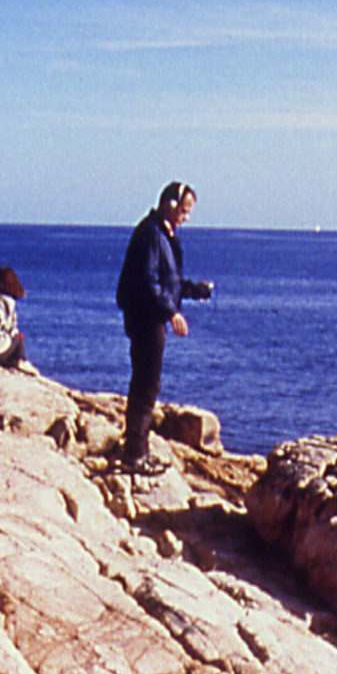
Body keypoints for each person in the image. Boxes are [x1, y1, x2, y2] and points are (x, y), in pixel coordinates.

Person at [114, 181, 212, 473]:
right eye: (184, 210)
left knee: (148, 382)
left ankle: (138, 450)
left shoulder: (161, 235)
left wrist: (195, 290)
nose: (186, 217)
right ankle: (134, 455)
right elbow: (148, 281)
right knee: (146, 384)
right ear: (170, 204)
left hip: (152, 316)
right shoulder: (150, 234)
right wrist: (171, 313)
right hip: (146, 318)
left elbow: (168, 281)